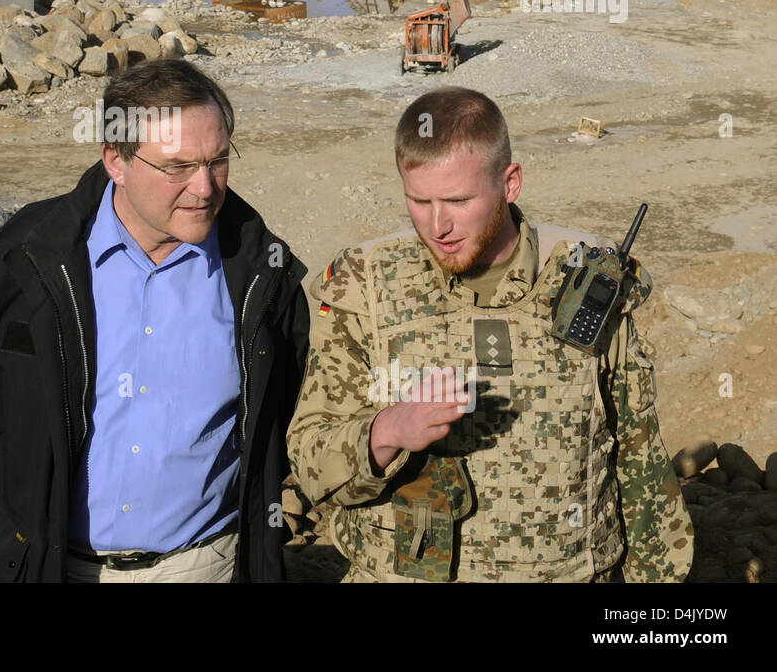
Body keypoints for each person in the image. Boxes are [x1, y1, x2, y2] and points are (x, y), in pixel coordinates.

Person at [0, 59, 310, 582]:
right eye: (177, 166)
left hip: (202, 568)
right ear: (116, 160)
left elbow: (276, 413)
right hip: (49, 568)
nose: (204, 188)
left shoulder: (262, 273)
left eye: (218, 160)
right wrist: (16, 521)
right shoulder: (22, 259)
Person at [287, 87, 692, 582]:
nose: (438, 225)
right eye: (419, 200)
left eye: (459, 200)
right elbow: (310, 463)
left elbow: (638, 456)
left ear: (510, 183)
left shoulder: (589, 282)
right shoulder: (363, 287)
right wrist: (388, 431)